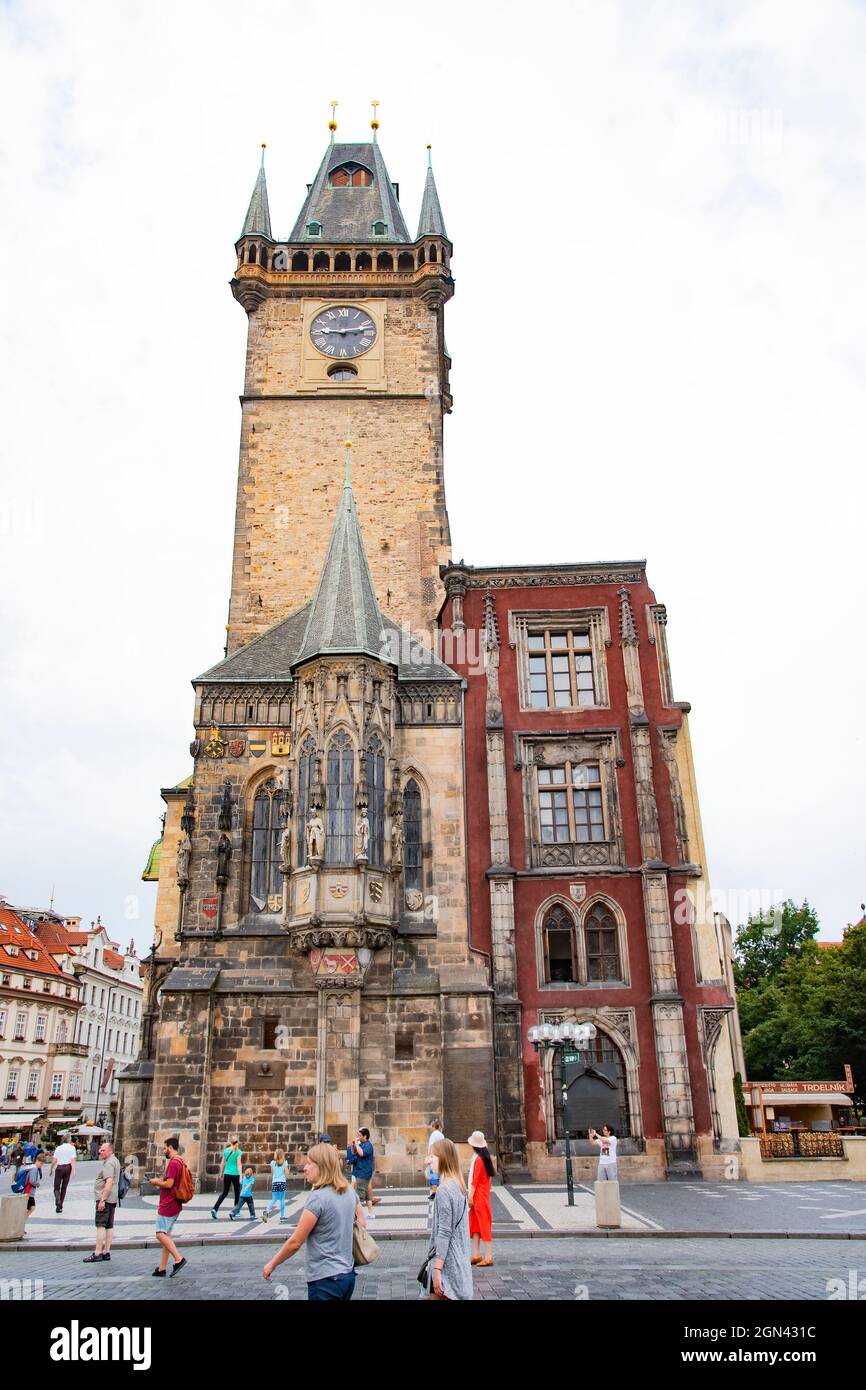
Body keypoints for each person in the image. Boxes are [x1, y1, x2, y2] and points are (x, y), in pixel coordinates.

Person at [262, 1142, 366, 1301]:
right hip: (347, 1275)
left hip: (325, 1279)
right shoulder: (349, 1192)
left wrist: (272, 1264)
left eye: (310, 1164)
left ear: (322, 1166)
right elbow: (362, 1223)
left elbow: (295, 1242)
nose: (305, 1168)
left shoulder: (317, 1198)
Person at [423, 1139, 472, 1301]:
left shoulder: (444, 1190)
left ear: (443, 1158)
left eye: (432, 1156)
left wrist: (437, 1269)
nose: (428, 1160)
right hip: (460, 1265)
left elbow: (444, 1232)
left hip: (447, 1267)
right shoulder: (459, 1187)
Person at [148, 1135, 187, 1278]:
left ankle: (178, 1259)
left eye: (164, 1148)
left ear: (170, 1148)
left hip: (168, 1204)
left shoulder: (173, 1163)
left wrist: (156, 1182)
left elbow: (169, 1184)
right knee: (166, 1236)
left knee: (160, 1234)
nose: (163, 1151)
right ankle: (162, 1268)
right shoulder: (180, 1161)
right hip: (174, 1203)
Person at [82, 1140, 121, 1263]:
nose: (100, 1152)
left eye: (103, 1150)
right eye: (100, 1150)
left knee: (100, 1225)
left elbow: (108, 1182)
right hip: (113, 1198)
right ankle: (106, 1252)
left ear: (109, 1151)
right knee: (109, 1226)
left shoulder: (109, 1163)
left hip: (106, 1198)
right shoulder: (115, 1161)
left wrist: (102, 1200)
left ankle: (98, 1252)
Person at [467, 1130, 495, 1267]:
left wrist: (470, 1196)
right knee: (476, 1225)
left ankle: (488, 1256)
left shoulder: (479, 1160)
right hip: (483, 1195)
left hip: (479, 1196)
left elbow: (475, 1181)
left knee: (483, 1225)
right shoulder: (485, 1158)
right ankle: (476, 1254)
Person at [345, 1127, 375, 1219]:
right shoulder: (361, 1144)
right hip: (360, 1171)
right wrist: (354, 1145)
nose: (358, 1137)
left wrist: (357, 1145)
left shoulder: (368, 1145)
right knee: (367, 1195)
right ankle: (371, 1213)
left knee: (358, 1196)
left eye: (359, 1135)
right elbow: (355, 1152)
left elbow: (361, 1153)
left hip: (363, 1172)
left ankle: (357, 1216)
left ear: (365, 1136)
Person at [211, 1135, 243, 1219]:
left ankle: (215, 1208)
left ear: (230, 1142)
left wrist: (220, 1173)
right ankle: (236, 1211)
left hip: (227, 1174)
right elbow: (239, 1165)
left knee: (224, 1193)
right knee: (237, 1193)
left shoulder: (226, 1151)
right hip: (235, 1174)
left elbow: (222, 1163)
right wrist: (240, 1176)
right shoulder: (238, 1152)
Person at [261, 1148, 288, 1222]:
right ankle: (282, 1216)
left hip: (275, 1182)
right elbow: (286, 1172)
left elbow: (272, 1172)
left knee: (274, 1199)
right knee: (282, 1199)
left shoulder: (272, 1163)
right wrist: (284, 1178)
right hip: (282, 1182)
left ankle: (267, 1211)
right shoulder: (285, 1162)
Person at [51, 1135, 78, 1213]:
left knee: (56, 1187)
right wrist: (73, 1170)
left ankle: (58, 1200)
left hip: (59, 1168)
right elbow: (73, 1160)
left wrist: (51, 1169)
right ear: (69, 1140)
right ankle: (60, 1206)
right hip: (68, 1168)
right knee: (64, 1187)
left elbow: (54, 1160)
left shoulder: (58, 1148)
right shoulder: (72, 1148)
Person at [425, 1117, 445, 1201]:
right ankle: (440, 1192)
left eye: (431, 1126)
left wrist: (429, 1157)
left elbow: (431, 1146)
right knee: (440, 1175)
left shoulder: (433, 1135)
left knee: (433, 1175)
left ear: (433, 1126)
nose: (430, 1128)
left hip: (434, 1157)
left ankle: (434, 1192)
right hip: (441, 1156)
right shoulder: (441, 1135)